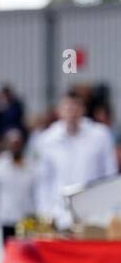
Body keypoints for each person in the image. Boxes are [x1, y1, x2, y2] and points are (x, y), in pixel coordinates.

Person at [35, 92, 118, 228]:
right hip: (59, 212)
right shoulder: (47, 139)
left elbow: (110, 174)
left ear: (83, 109)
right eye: (67, 107)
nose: (71, 112)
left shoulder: (100, 135)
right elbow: (43, 180)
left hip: (95, 212)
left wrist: (110, 210)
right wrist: (44, 212)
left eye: (75, 107)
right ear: (59, 111)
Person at [0, 129, 37, 242]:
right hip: (6, 220)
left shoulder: (32, 167)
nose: (15, 146)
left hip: (27, 220)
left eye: (18, 143)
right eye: (12, 143)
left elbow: (37, 194)